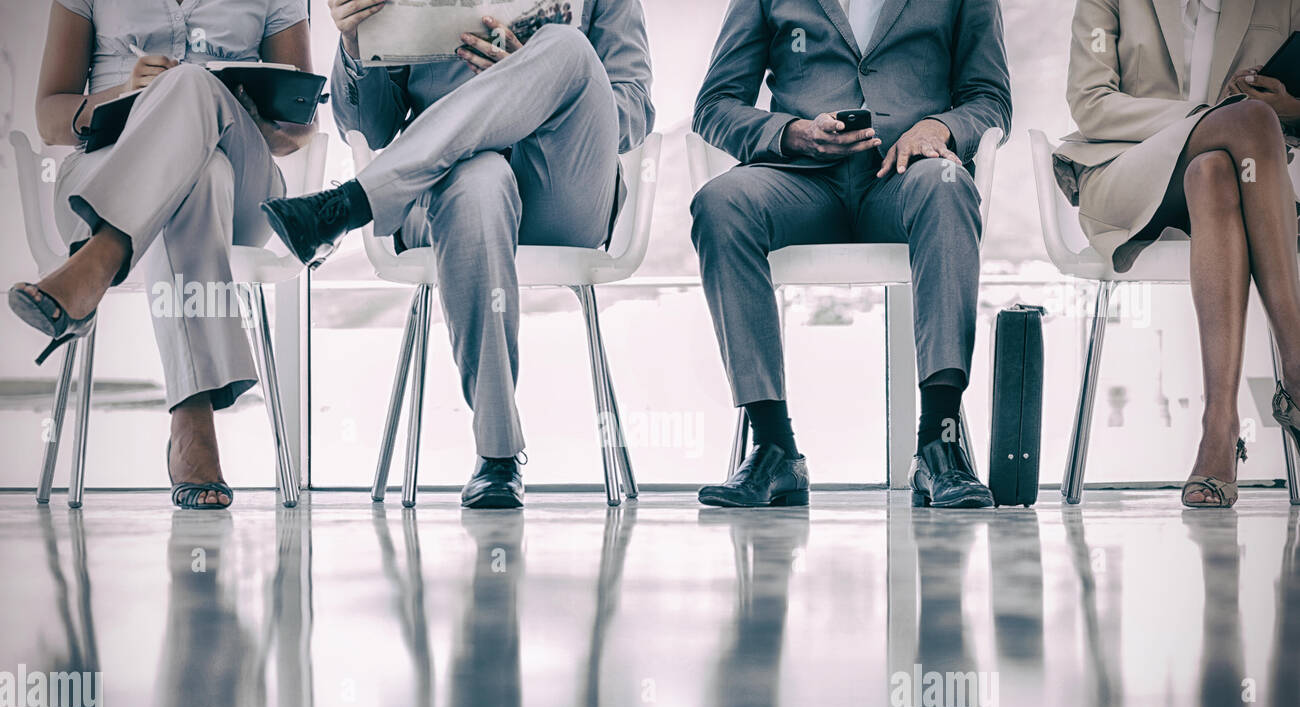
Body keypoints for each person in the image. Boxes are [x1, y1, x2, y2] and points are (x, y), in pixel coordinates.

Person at [262, 0, 654, 510]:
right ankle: (497, 455)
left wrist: (532, 84)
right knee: (477, 185)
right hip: (450, 189)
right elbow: (371, 128)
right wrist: (355, 47)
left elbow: (634, 110)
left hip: (563, 184)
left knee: (565, 46)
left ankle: (351, 203)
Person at [689, 0, 1011, 509]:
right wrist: (791, 134)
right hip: (800, 181)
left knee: (950, 183)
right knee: (719, 203)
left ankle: (939, 445)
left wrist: (938, 128)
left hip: (906, 178)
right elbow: (715, 105)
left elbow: (989, 97)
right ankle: (773, 448)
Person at [8, 0, 316, 510]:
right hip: (104, 169)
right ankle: (192, 425)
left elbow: (301, 122)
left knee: (195, 89)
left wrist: (244, 117)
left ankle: (101, 256)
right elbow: (49, 119)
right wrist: (128, 94)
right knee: (201, 173)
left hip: (245, 181)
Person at [1054, 0, 1300, 508]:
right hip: (1126, 167)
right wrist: (1208, 118)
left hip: (1244, 179)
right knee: (1245, 120)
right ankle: (1298, 373)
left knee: (1210, 172)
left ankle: (1219, 429)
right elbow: (1092, 103)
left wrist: (1292, 108)